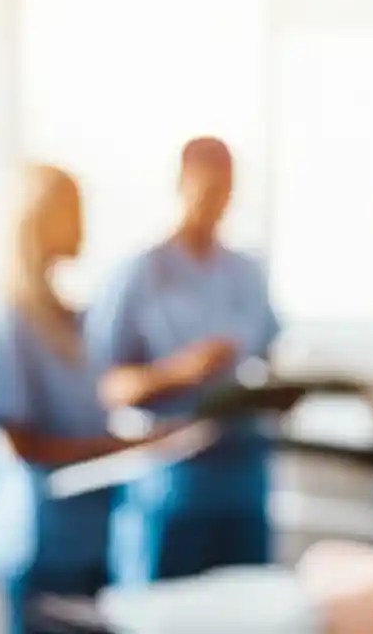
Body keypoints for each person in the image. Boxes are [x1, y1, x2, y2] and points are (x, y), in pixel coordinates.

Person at [85, 136, 280, 584]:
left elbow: (270, 357)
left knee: (247, 610)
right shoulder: (139, 274)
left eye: (226, 192)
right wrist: (181, 371)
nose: (217, 204)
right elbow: (105, 387)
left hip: (243, 478)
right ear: (180, 184)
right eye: (207, 190)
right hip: (171, 485)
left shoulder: (247, 273)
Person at [0, 165, 153, 633]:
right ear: (40, 220)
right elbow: (22, 444)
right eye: (73, 212)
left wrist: (141, 443)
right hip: (39, 541)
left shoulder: (78, 321)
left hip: (95, 537)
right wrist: (120, 450)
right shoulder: (11, 323)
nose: (84, 227)